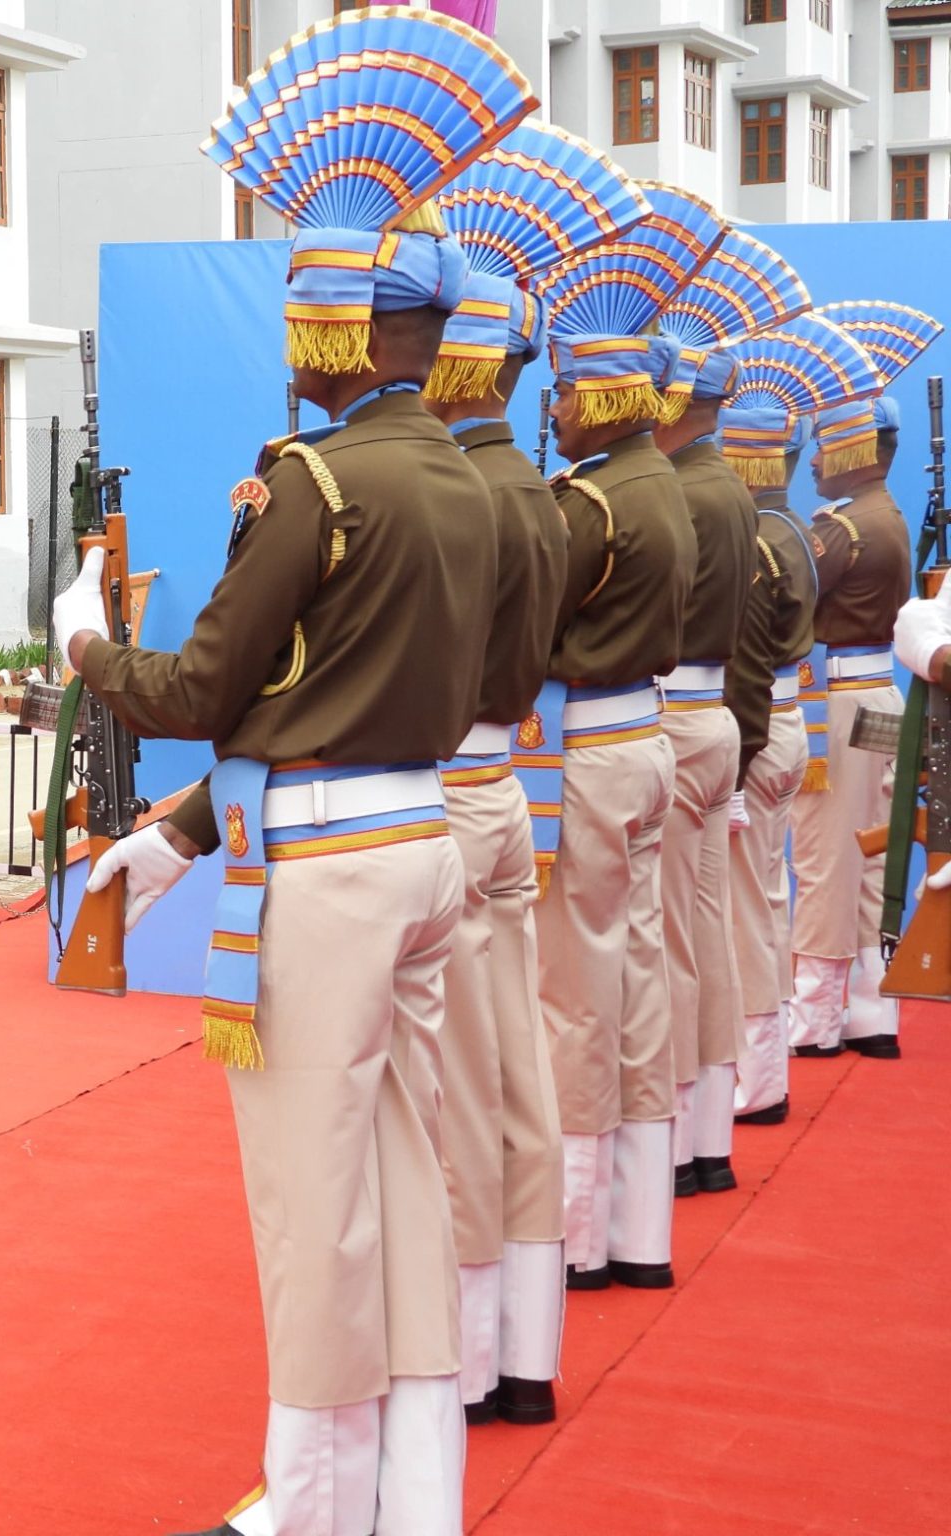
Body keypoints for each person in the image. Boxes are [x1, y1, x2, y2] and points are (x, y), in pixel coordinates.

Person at [64, 15, 525, 1521]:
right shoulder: (472, 484)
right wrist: (184, 833)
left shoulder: (322, 482)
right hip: (416, 851)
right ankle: (415, 1485)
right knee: (405, 1171)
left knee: (313, 1202)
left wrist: (87, 652)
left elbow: (205, 686)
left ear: (331, 330)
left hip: (323, 877)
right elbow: (343, 693)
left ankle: (312, 1497)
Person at [533, 187, 711, 1291]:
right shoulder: (657, 486)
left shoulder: (590, 504)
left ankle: (577, 1234)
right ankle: (639, 1227)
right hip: (641, 741)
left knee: (571, 993)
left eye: (561, 395)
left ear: (603, 400)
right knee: (636, 977)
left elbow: (525, 628)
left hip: (590, 755)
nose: (550, 413)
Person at [420, 264, 571, 1429]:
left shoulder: (456, 495)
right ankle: (523, 1346)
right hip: (501, 786)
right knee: (517, 1069)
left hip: (445, 791)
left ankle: (470, 1361)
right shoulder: (543, 493)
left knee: (457, 1093)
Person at [790, 301, 943, 1060]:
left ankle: (815, 1018)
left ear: (856, 447)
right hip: (875, 696)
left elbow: (786, 599)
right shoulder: (881, 515)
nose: (813, 460)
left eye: (822, 445)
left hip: (839, 707)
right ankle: (868, 1012)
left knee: (824, 859)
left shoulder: (841, 528)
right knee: (868, 856)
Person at [653, 328, 759, 1198]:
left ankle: (682, 1139)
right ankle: (706, 1132)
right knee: (705, 926)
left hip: (673, 716)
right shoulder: (726, 485)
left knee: (671, 940)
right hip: (711, 713)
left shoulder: (682, 491)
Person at [718, 404, 818, 1126]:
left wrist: (734, 766)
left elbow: (746, 667)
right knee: (770, 900)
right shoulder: (797, 530)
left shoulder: (755, 537)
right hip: (786, 722)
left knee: (746, 909)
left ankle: (758, 1077)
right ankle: (768, 1056)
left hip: (757, 731)